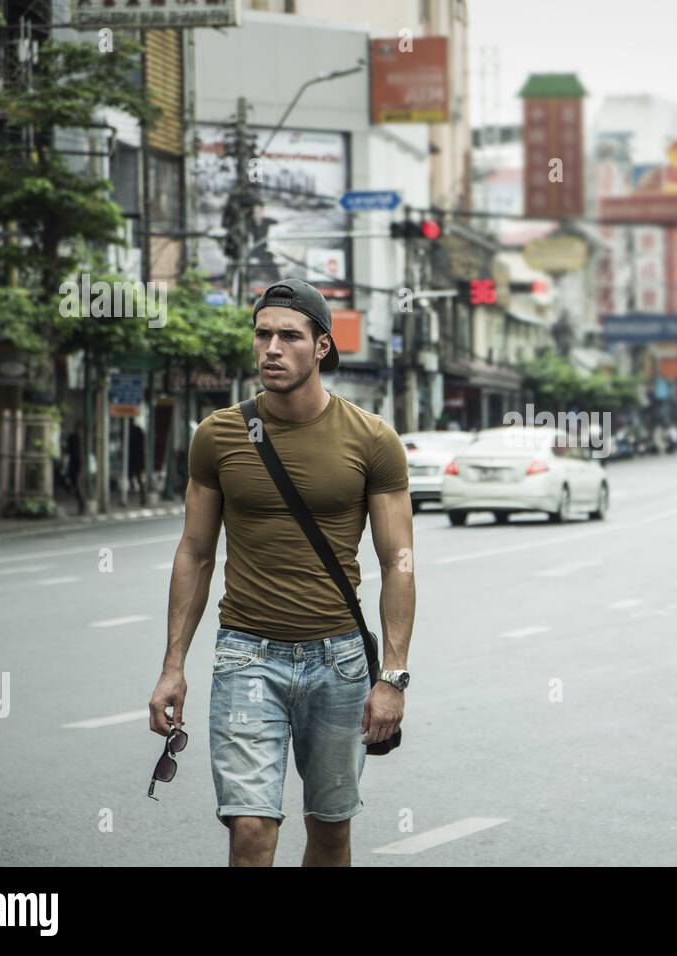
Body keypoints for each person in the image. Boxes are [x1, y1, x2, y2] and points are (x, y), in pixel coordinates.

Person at [147, 278, 414, 867]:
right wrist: (172, 666)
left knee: (330, 830)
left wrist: (392, 677)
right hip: (246, 656)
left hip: (339, 662)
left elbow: (398, 561)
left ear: (322, 346)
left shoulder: (372, 439)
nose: (272, 348)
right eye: (262, 334)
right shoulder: (217, 435)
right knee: (249, 830)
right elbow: (194, 553)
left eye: (289, 336)